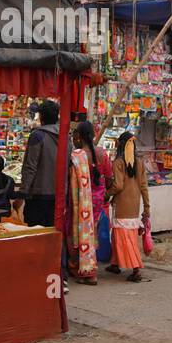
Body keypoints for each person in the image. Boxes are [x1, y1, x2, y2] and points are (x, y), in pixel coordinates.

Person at [67, 121, 111, 285]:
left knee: (76, 233)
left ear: (78, 136)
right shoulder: (102, 153)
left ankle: (81, 268)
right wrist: (105, 196)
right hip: (98, 201)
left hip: (80, 201)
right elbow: (109, 177)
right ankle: (90, 267)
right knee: (91, 236)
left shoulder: (77, 155)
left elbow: (70, 180)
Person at [106, 131, 149, 283]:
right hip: (135, 205)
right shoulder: (140, 162)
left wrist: (107, 194)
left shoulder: (118, 162)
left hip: (122, 206)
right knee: (127, 237)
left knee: (122, 238)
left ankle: (136, 269)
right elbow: (144, 186)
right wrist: (147, 208)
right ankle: (115, 263)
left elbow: (117, 186)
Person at [15, 99, 61, 228]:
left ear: (41, 116)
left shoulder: (37, 136)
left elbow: (30, 167)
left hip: (38, 197)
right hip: (58, 197)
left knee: (35, 235)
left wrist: (21, 195)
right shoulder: (66, 137)